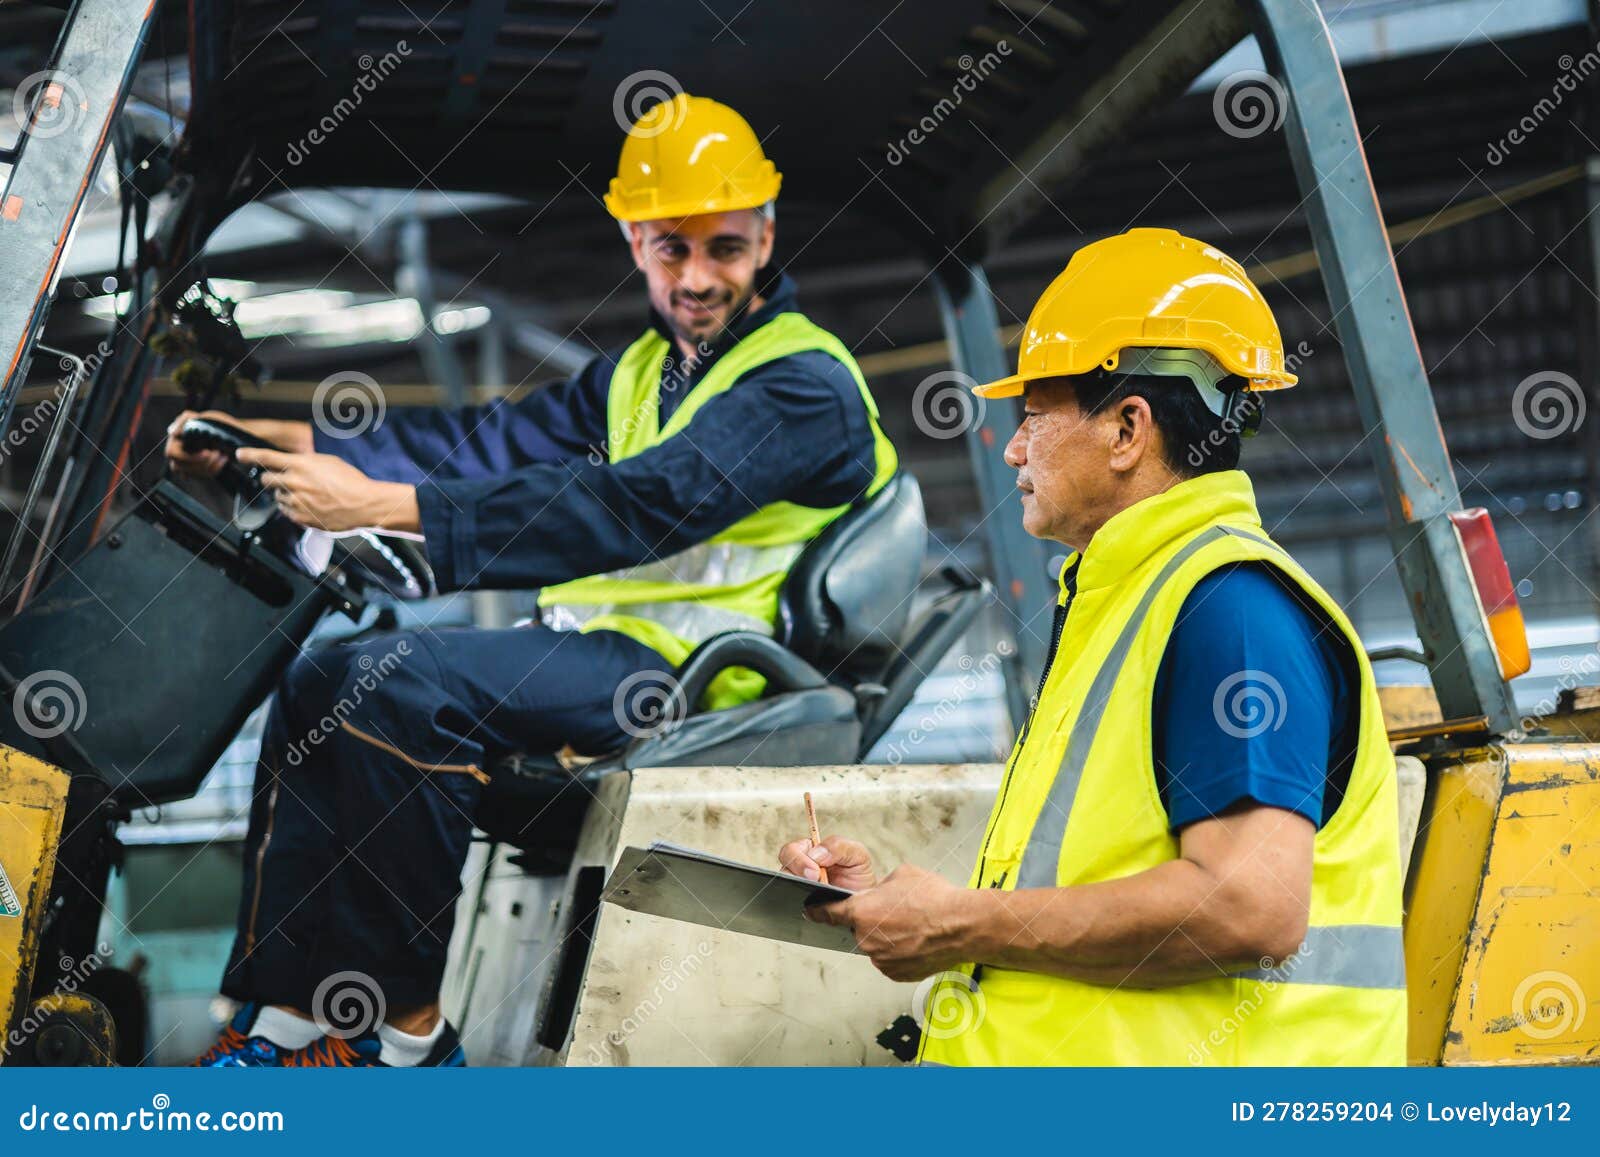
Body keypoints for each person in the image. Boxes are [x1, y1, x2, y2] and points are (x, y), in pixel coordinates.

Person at [171, 93, 897, 1067]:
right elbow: (483, 441)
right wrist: (289, 447)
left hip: (699, 677)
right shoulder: (642, 371)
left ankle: (407, 1036)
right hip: (601, 656)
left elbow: (636, 506)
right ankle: (291, 1021)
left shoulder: (798, 385)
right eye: (669, 249)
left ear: (764, 235)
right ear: (635, 238)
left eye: (722, 247)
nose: (696, 276)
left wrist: (382, 506)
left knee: (406, 688)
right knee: (321, 676)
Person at [779, 228, 1405, 1066]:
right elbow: (1075, 896)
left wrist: (954, 922)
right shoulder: (1129, 601)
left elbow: (1251, 908)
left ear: (1127, 429)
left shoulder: (1228, 608)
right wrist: (901, 907)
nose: (1012, 446)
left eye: (1033, 414)